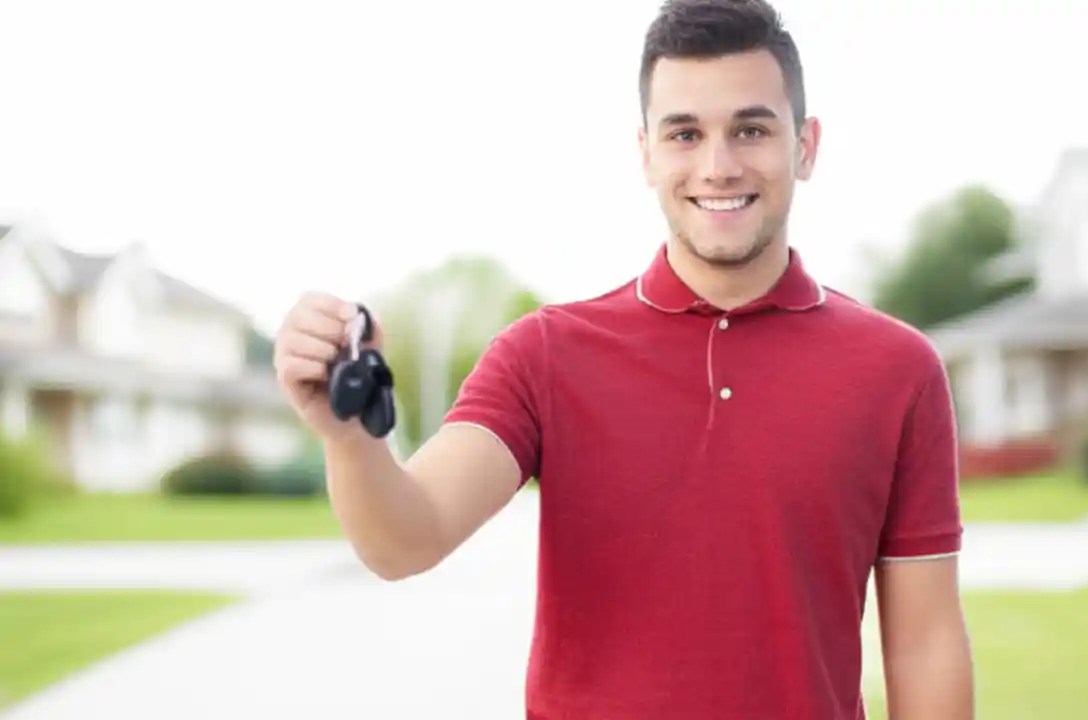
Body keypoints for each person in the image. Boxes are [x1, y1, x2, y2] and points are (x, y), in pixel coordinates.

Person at [272, 0, 974, 717]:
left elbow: (924, 642)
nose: (719, 165)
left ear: (806, 145)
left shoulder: (899, 370)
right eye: (685, 133)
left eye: (752, 129)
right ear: (646, 152)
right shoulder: (543, 356)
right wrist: (350, 439)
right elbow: (404, 542)